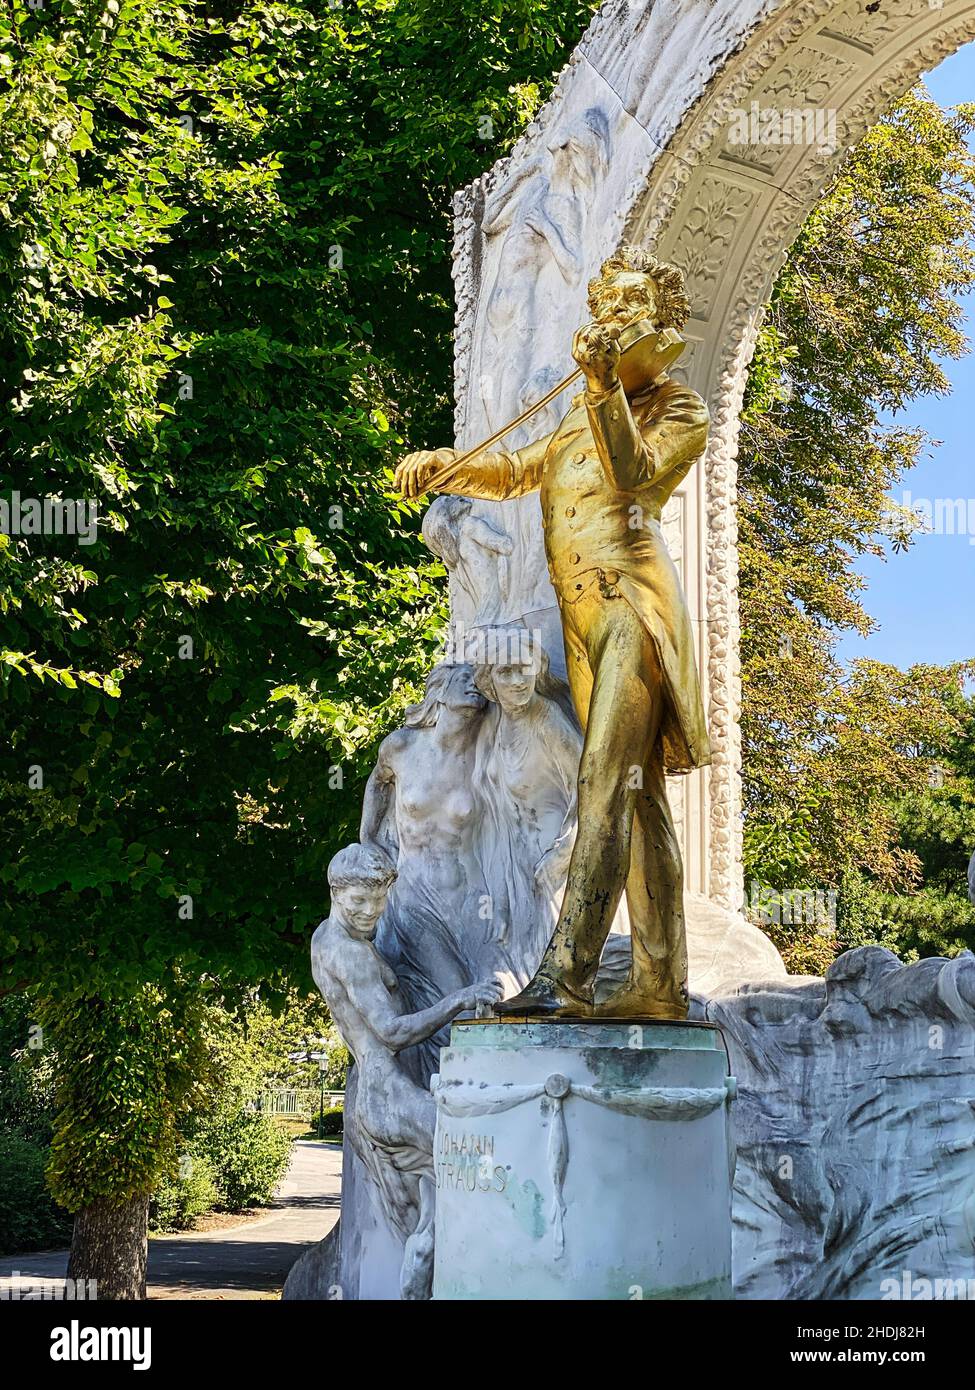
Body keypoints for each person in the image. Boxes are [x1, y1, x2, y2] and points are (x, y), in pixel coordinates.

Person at [395, 245, 711, 1019]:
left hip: (633, 610)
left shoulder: (678, 408)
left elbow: (634, 475)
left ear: (662, 320)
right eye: (603, 309)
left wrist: (604, 386)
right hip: (582, 624)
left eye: (627, 307)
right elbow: (512, 472)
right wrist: (447, 467)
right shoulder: (581, 413)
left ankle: (563, 979)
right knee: (636, 802)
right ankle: (659, 986)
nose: (609, 322)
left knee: (602, 781)